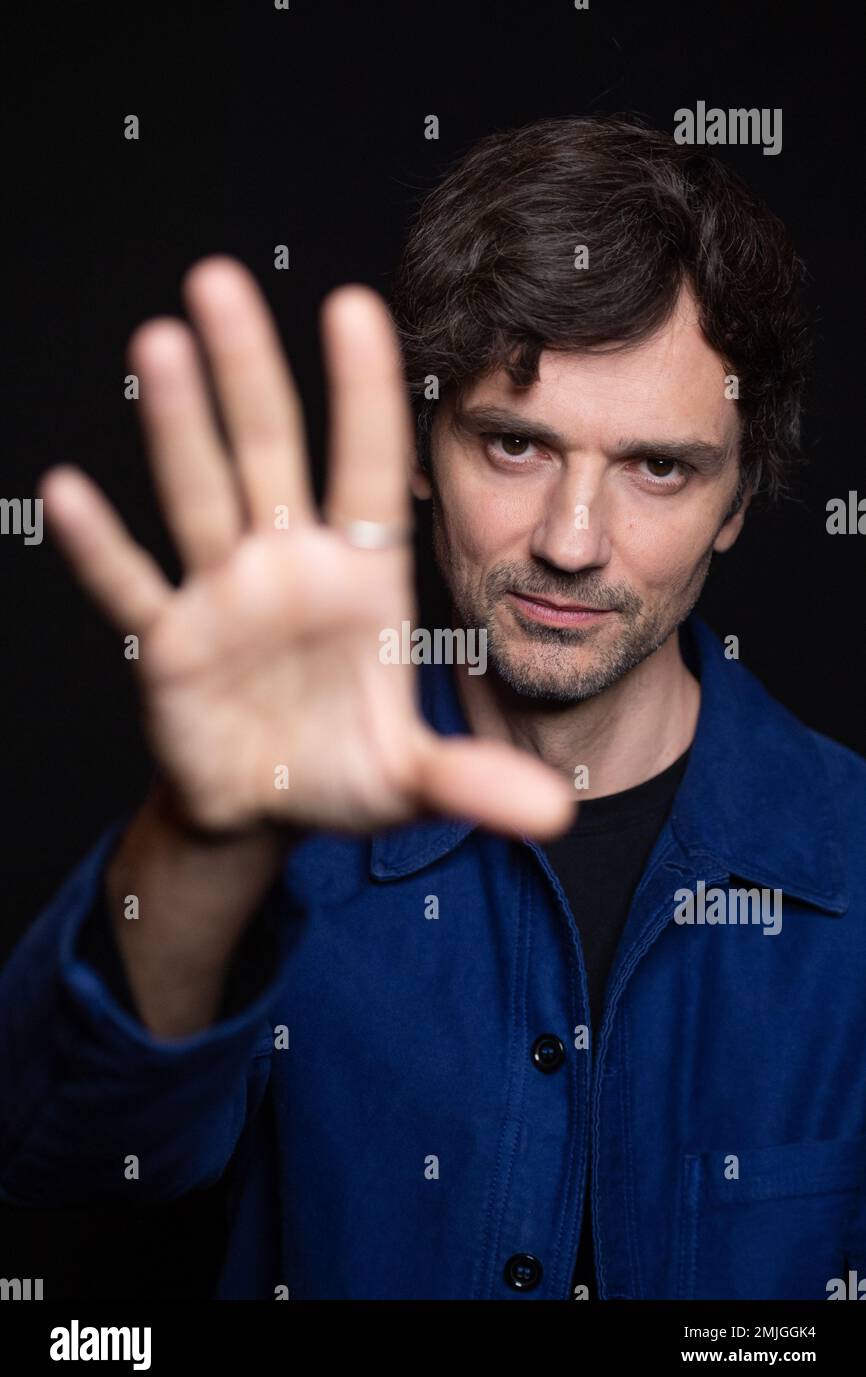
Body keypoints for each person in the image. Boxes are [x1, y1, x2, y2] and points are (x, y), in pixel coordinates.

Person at [2, 115, 865, 1302]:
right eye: (513, 445)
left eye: (656, 467)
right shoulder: (285, 835)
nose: (570, 543)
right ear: (420, 443)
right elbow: (61, 1164)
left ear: (737, 498)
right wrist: (204, 842)